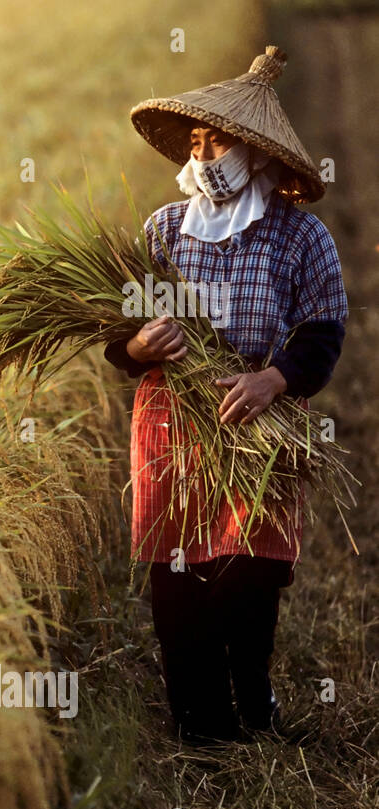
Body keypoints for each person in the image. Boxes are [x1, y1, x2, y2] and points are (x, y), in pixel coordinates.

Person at [106, 46, 348, 744]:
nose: (206, 153)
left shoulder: (302, 237)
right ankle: (199, 721)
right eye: (198, 141)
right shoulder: (160, 231)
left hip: (260, 417)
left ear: (256, 153)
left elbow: (323, 332)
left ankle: (251, 690)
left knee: (251, 568)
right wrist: (140, 348)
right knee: (178, 571)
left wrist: (274, 378)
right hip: (172, 420)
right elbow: (119, 341)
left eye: (221, 142)